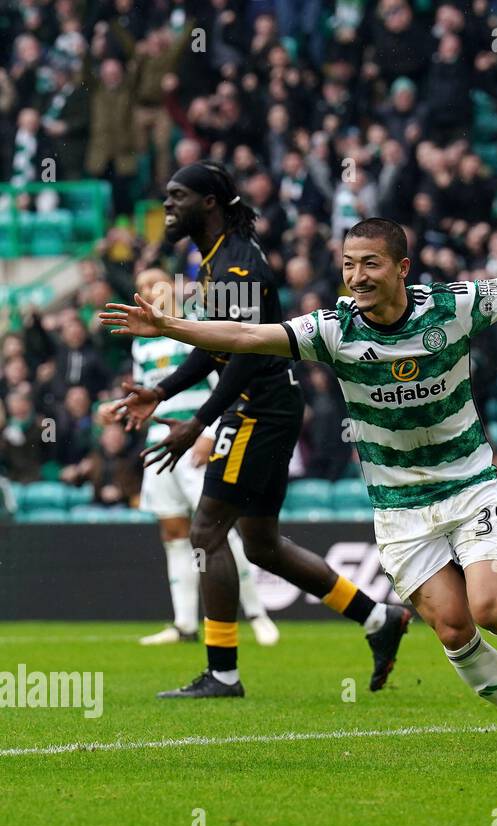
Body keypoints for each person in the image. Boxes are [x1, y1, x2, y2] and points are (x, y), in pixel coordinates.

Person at [102, 210, 497, 747]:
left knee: (493, 611)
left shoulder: (453, 306)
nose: (356, 276)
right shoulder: (333, 329)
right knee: (452, 629)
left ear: (402, 267)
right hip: (398, 506)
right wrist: (171, 327)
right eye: (349, 265)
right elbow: (251, 338)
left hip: (468, 485)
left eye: (370, 263)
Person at [103, 162, 409, 699]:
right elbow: (216, 345)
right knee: (262, 544)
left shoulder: (236, 267)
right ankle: (377, 617)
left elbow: (243, 355)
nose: (168, 206)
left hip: (255, 409)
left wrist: (199, 420)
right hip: (262, 405)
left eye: (178, 196)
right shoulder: (219, 258)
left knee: (206, 533)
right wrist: (163, 392)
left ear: (210, 203)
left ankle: (222, 673)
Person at [114, 268, 278, 647]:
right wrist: (118, 408)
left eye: (155, 283)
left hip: (196, 440)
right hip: (160, 441)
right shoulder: (142, 343)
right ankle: (184, 623)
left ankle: (256, 613)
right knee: (173, 532)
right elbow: (149, 394)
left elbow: (226, 385)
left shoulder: (196, 330)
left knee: (215, 527)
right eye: (140, 286)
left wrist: (208, 433)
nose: (147, 291)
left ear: (171, 287)